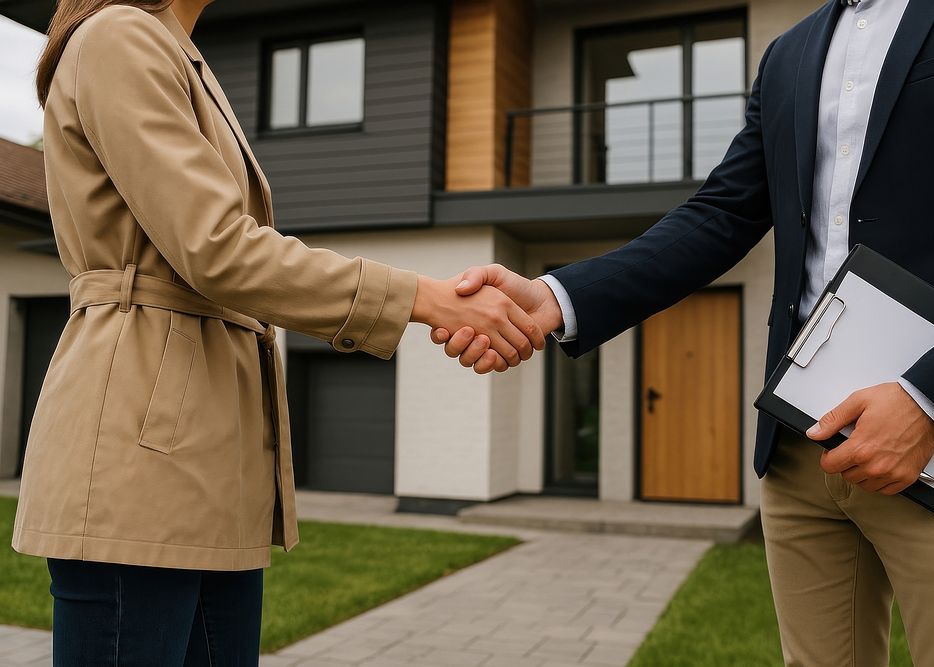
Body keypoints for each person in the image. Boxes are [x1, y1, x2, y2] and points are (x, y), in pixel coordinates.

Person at [436, 0, 934, 664]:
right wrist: (556, 297)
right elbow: (721, 213)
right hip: (800, 456)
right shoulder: (788, 52)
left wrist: (930, 398)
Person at [11, 0, 544, 663]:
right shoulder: (120, 36)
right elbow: (219, 249)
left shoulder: (175, 51)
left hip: (205, 461)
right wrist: (427, 297)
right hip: (140, 461)